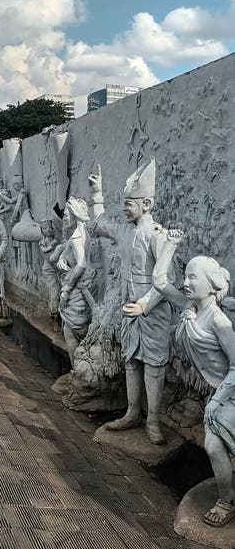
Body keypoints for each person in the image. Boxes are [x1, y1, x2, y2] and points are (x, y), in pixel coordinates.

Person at [153, 229, 235, 527]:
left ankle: (226, 502)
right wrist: (170, 245)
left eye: (192, 278)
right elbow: (160, 282)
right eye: (185, 277)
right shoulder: (190, 307)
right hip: (220, 392)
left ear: (211, 286)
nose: (185, 283)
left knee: (214, 446)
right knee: (219, 445)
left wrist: (216, 402)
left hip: (230, 391)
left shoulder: (219, 321)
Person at [88, 159, 171, 444]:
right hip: (128, 309)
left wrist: (145, 305)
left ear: (146, 203)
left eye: (129, 203)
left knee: (154, 365)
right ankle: (132, 412)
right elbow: (98, 224)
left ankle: (153, 421)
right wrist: (97, 194)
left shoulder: (157, 236)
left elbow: (165, 281)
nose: (124, 207)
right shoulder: (124, 231)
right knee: (131, 360)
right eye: (124, 202)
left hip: (152, 312)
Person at [50, 197, 94, 365]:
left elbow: (81, 264)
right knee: (77, 330)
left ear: (76, 215)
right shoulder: (82, 234)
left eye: (67, 215)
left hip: (75, 291)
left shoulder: (75, 239)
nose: (64, 218)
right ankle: (81, 367)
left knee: (71, 330)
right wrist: (62, 252)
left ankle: (77, 369)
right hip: (82, 289)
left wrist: (67, 288)